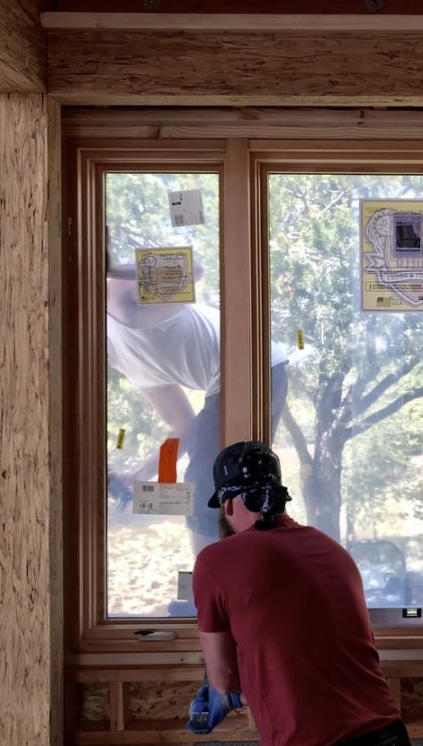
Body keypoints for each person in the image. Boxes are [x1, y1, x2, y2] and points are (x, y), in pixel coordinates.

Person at [189, 441, 423, 746]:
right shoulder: (332, 550)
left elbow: (223, 679)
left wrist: (229, 692)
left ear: (227, 505)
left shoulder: (216, 560)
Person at [105, 234, 289, 557]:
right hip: (248, 373)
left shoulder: (115, 297)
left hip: (251, 362)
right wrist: (138, 476)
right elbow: (183, 428)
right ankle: (243, 570)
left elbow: (193, 271)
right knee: (229, 481)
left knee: (206, 482)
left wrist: (109, 269)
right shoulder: (126, 361)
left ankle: (208, 581)